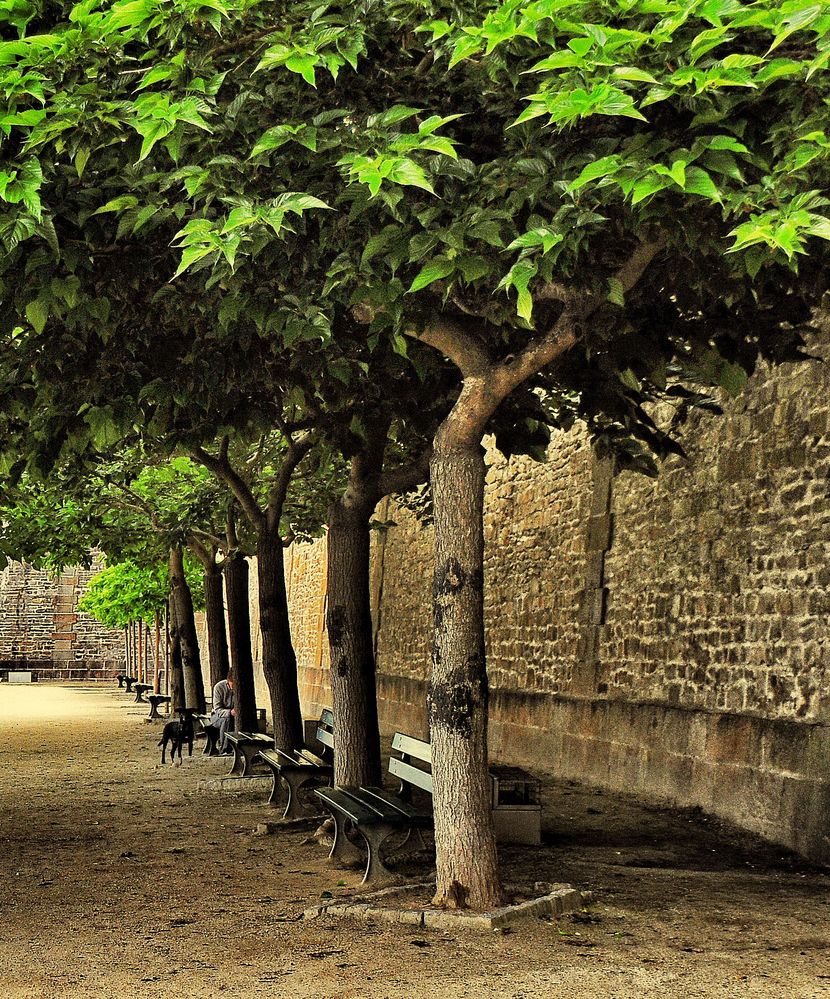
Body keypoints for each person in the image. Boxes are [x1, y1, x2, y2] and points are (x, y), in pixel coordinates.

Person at [210, 670, 235, 754]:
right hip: (217, 716)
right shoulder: (219, 687)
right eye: (232, 684)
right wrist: (230, 712)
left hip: (233, 717)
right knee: (226, 719)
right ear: (228, 681)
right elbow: (217, 709)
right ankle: (224, 748)